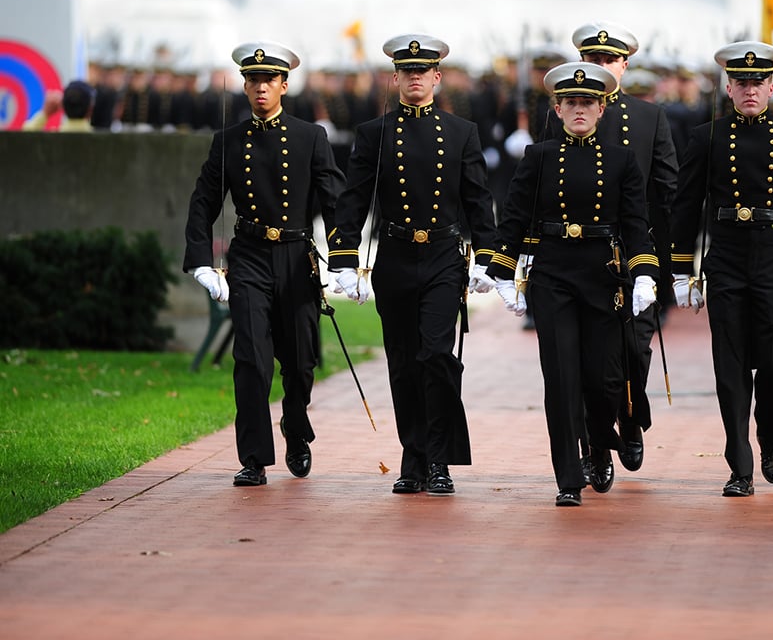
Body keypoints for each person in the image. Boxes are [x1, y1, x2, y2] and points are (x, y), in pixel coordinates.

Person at [328, 34, 498, 496]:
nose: (415, 77)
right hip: (396, 257)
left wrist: (488, 257)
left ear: (437, 77)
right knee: (403, 364)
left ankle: (439, 459)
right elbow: (354, 199)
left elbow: (477, 199)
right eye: (407, 71)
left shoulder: (461, 132)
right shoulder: (374, 133)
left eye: (423, 71)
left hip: (443, 257)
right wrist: (343, 257)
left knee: (437, 356)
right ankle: (414, 457)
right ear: (396, 77)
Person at [484, 61, 659, 507]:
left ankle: (599, 443)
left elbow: (635, 222)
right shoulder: (538, 156)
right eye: (571, 102)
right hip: (554, 274)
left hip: (603, 274)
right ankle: (568, 476)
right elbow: (514, 216)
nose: (579, 109)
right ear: (558, 109)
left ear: (601, 109)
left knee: (604, 379)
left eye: (587, 102)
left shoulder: (621, 160)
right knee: (561, 379)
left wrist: (644, 272)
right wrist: (500, 271)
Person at [669, 41, 773, 498]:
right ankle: (739, 465)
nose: (750, 90)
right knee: (731, 365)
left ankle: (771, 435)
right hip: (726, 259)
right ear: (729, 88)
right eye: (741, 83)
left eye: (758, 82)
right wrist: (681, 270)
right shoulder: (707, 137)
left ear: (772, 87)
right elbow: (686, 205)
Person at [183, 42, 345, 486]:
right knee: (252, 360)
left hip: (296, 256)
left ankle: (295, 425)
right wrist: (201, 262)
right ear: (244, 85)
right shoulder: (229, 140)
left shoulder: (311, 137)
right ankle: (253, 458)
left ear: (284, 85)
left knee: (300, 362)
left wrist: (343, 260)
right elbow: (203, 202)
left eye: (269, 80)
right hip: (250, 255)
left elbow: (334, 201)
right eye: (253, 80)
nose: (260, 87)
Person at [565, 21, 679, 474]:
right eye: (592, 59)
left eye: (609, 59)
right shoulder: (564, 112)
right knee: (584, 357)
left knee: (634, 348)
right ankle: (594, 445)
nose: (601, 66)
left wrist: (665, 255)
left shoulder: (650, 117)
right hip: (580, 252)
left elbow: (668, 188)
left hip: (634, 252)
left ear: (624, 65)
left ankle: (630, 419)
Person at [21, 80, 96, 132]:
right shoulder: (100, 140)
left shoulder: (50, 139)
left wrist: (45, 113)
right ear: (90, 109)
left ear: (62, 107)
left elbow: (25, 135)